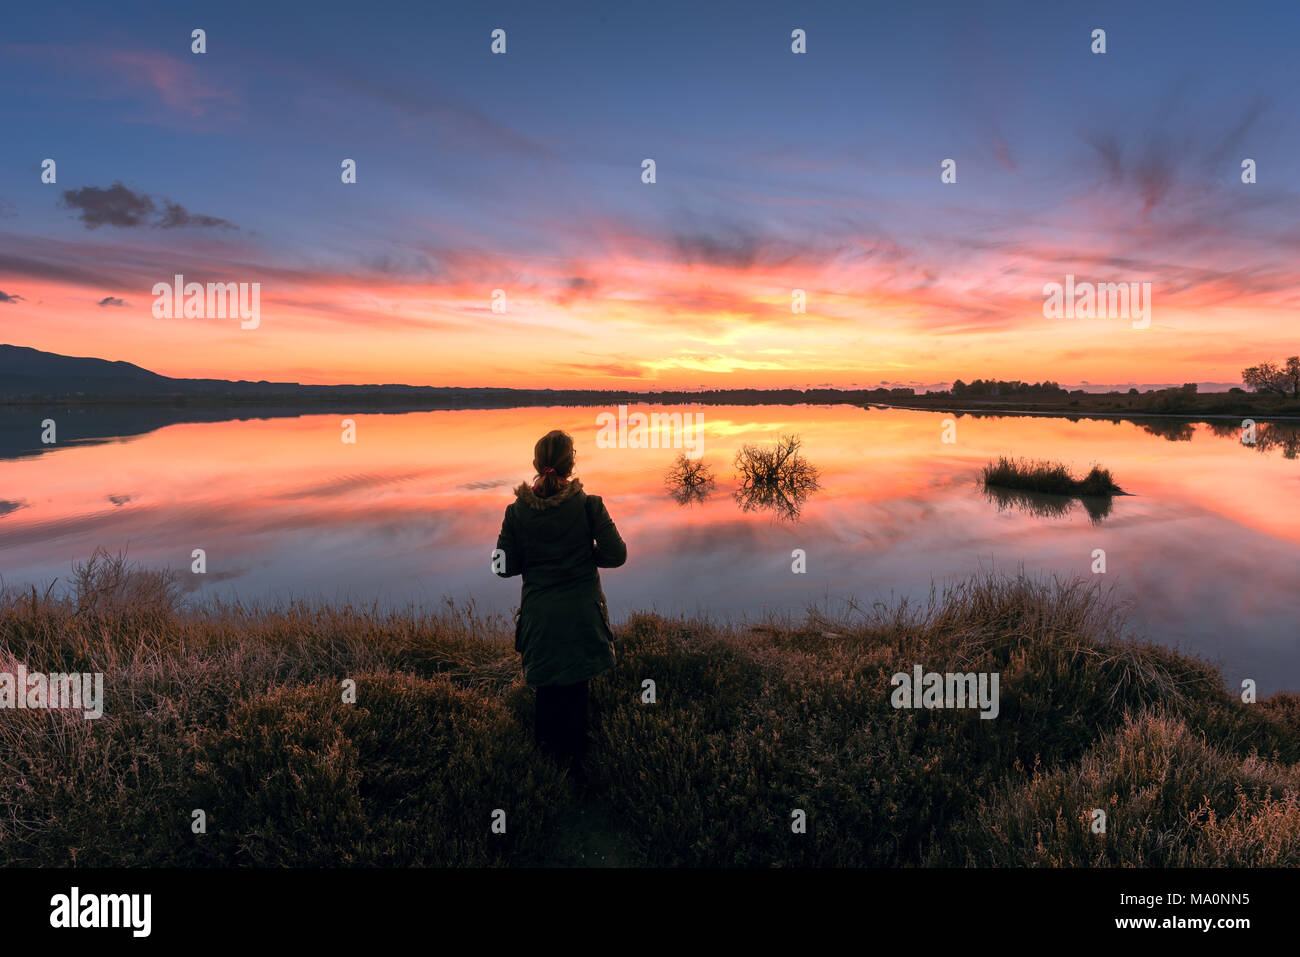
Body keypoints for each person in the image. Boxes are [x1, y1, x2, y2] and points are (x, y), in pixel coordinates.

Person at [493, 429, 626, 782]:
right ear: (572, 463)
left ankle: (545, 779)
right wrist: (584, 559)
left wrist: (531, 563)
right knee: (577, 699)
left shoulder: (516, 511)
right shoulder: (589, 505)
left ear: (537, 464)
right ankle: (579, 778)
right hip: (582, 618)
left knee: (546, 700)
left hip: (541, 621)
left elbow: (501, 567)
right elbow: (617, 554)